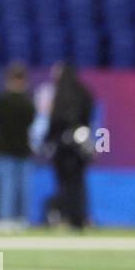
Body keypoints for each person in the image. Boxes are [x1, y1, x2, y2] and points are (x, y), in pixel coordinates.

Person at [44, 62, 94, 229]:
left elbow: (54, 123)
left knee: (64, 184)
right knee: (78, 184)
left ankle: (62, 215)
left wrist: (48, 141)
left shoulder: (60, 96)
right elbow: (90, 121)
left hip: (63, 148)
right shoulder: (85, 93)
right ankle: (78, 218)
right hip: (80, 147)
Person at [0, 62, 36, 224]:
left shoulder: (2, 100)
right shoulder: (27, 102)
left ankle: (5, 218)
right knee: (22, 187)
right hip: (22, 148)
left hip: (4, 149)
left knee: (6, 186)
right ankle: (22, 218)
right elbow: (31, 123)